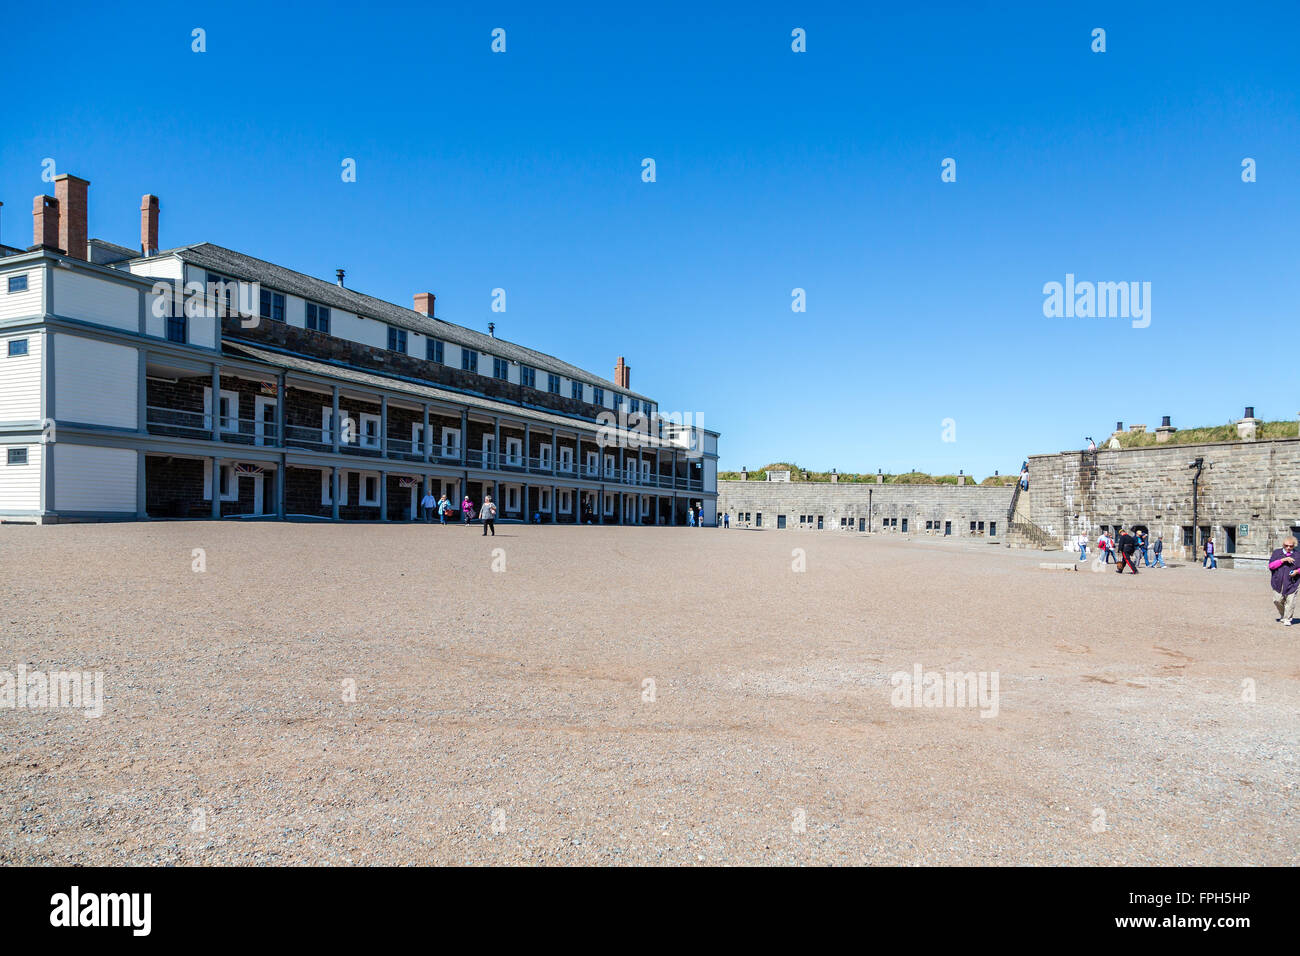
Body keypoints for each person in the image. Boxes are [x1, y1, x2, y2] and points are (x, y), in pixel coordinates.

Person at [1268, 536, 1300, 625]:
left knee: (1290, 602)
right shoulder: (1276, 553)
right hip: (1277, 582)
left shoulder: (1298, 555)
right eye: (1286, 546)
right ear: (1283, 545)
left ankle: (1287, 619)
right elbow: (1271, 566)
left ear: (1294, 546)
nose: (1288, 548)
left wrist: (1297, 571)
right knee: (1277, 600)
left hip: (1293, 583)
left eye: (1291, 546)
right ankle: (1283, 615)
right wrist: (1283, 560)